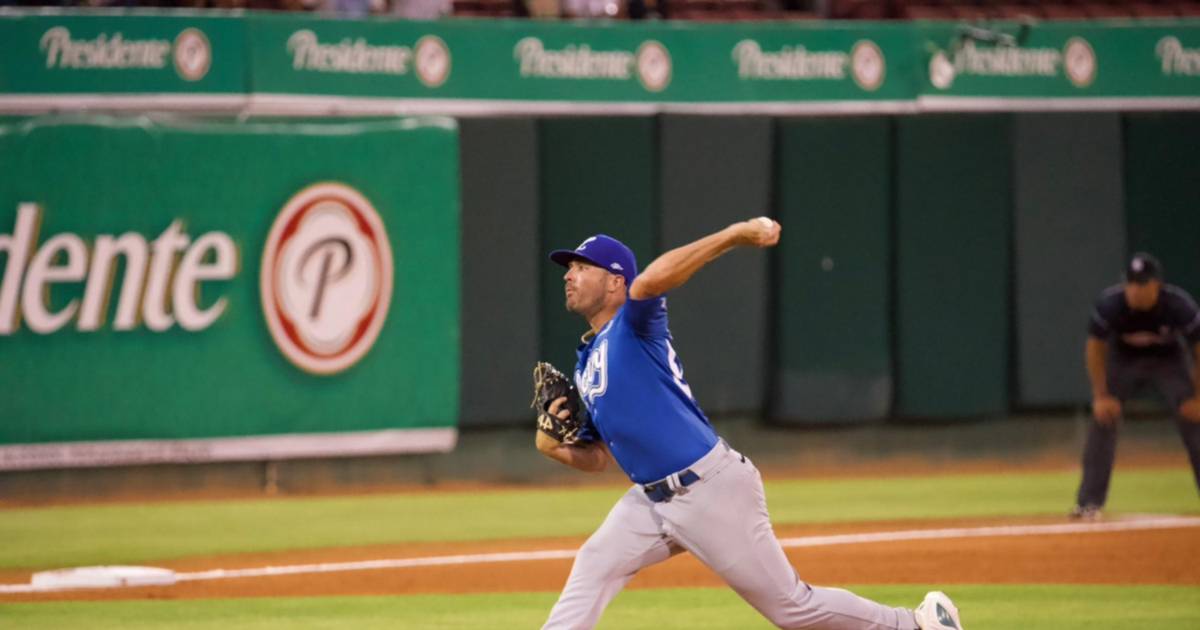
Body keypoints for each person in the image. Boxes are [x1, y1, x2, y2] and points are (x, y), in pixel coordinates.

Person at [536, 220, 962, 630]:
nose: (569, 276)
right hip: (650, 502)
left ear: (615, 282)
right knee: (595, 562)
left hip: (708, 489)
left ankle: (918, 624)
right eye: (569, 268)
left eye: (581, 267)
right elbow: (598, 458)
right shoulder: (586, 363)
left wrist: (733, 235)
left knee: (793, 608)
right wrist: (552, 446)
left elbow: (649, 282)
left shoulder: (635, 325)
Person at [1073, 252, 1200, 520]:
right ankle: (1089, 503)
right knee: (1104, 418)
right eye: (1131, 283)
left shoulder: (1178, 305)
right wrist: (1101, 395)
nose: (1135, 290)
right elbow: (1095, 349)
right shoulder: (1110, 304)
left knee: (1194, 419)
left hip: (1168, 360)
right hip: (1124, 360)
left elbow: (1199, 349)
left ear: (1156, 285)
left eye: (1142, 284)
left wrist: (1198, 397)